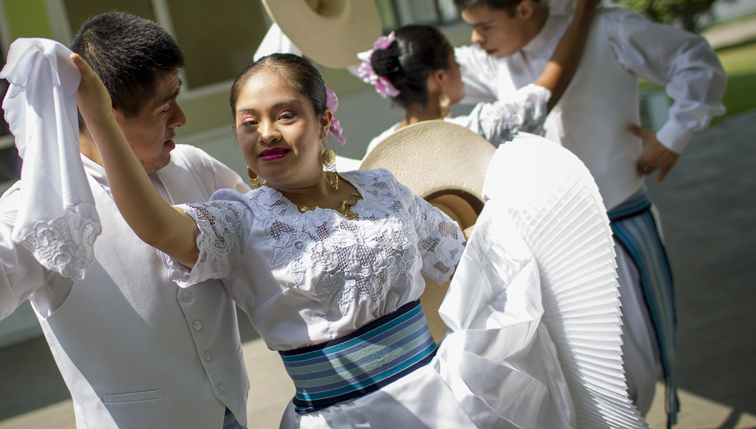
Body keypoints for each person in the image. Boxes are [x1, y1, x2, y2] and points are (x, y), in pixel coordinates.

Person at [75, 48, 585, 428]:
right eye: (248, 123)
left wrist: (531, 221)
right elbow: (158, 227)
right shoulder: (238, 221)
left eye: (285, 115)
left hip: (442, 402)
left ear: (324, 122)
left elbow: (462, 257)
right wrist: (100, 118)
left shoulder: (383, 187)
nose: (266, 133)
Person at [0, 12, 249, 429]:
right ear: (104, 113)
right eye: (164, 109)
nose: (180, 119)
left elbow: (262, 239)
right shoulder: (46, 204)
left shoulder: (194, 166)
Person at [452, 0, 728, 424]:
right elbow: (424, 73)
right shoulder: (487, 60)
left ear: (522, 8)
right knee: (568, 370)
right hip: (544, 248)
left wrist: (672, 137)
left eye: (484, 26)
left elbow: (694, 60)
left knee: (634, 364)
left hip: (620, 224)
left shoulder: (608, 29)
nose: (475, 40)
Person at [364, 0, 603, 153]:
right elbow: (546, 89)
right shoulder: (477, 130)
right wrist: (583, 14)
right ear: (440, 77)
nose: (461, 66)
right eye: (455, 60)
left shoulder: (379, 147)